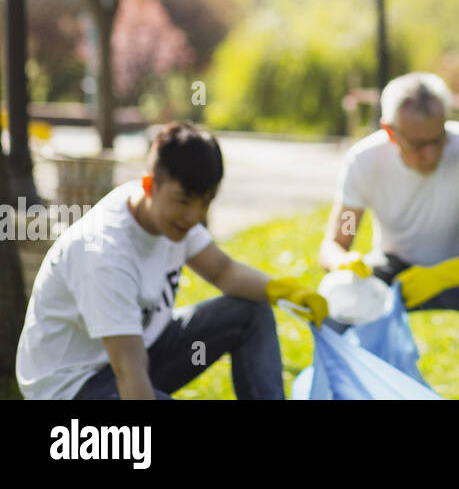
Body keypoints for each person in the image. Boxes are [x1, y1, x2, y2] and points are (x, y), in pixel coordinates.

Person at [16, 121, 327, 400]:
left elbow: (224, 272)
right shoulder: (105, 253)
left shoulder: (168, 216)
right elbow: (128, 370)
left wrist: (284, 291)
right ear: (150, 185)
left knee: (251, 311)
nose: (195, 216)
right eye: (184, 200)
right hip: (75, 385)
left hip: (141, 351)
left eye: (205, 202)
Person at [319, 72, 459, 400]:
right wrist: (344, 263)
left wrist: (446, 273)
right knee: (334, 301)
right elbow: (333, 244)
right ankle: (341, 391)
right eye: (418, 145)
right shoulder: (364, 160)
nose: (431, 155)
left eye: (437, 140)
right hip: (393, 270)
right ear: (389, 131)